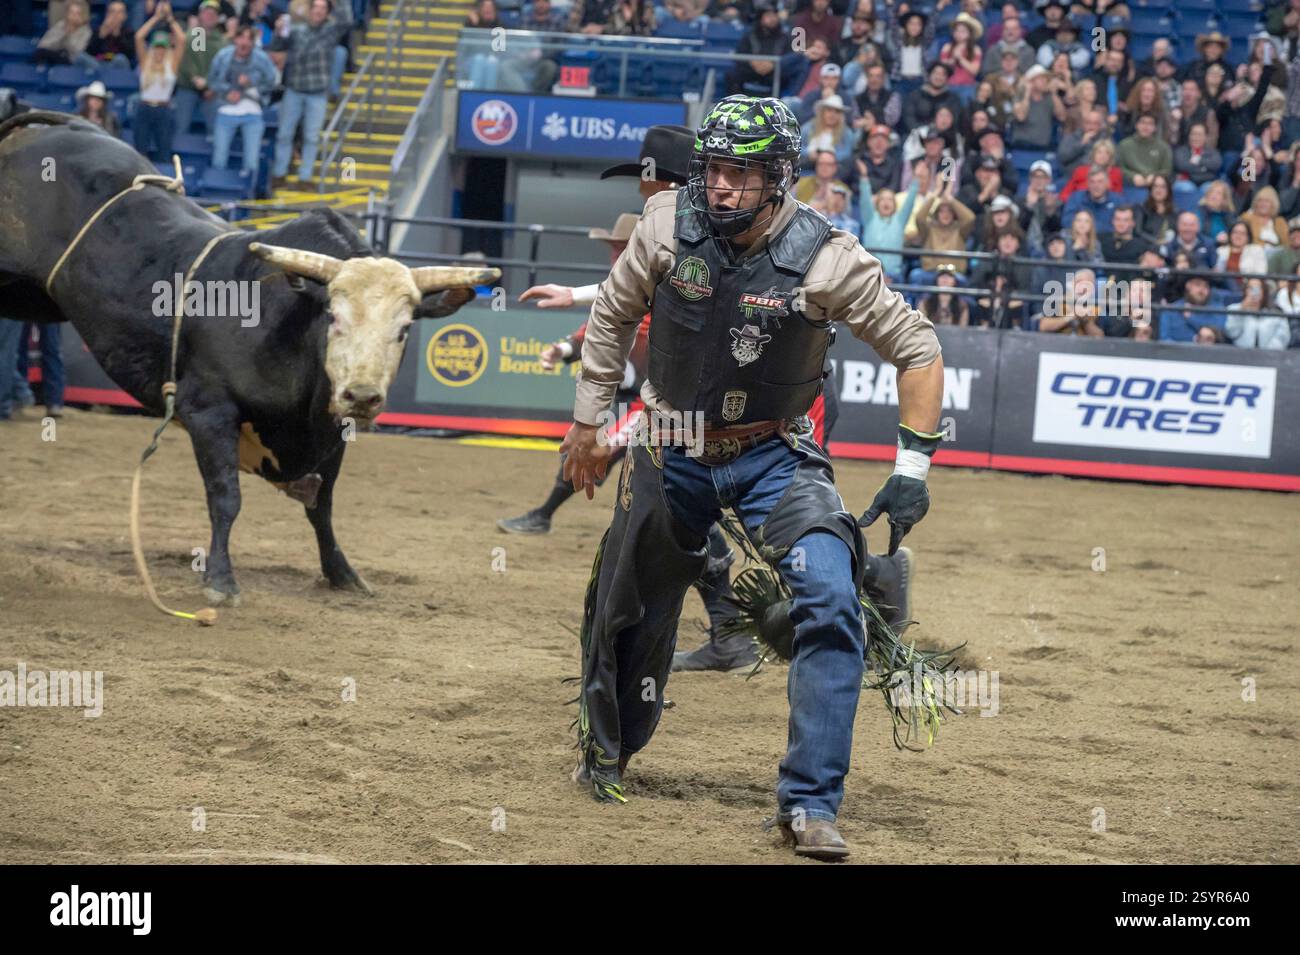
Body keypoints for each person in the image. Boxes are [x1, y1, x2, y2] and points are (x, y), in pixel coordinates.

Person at [563, 95, 944, 859]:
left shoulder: (830, 257)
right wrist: (587, 421)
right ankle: (607, 751)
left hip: (776, 449)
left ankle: (808, 804)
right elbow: (611, 313)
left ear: (780, 180)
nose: (723, 188)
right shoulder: (668, 224)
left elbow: (919, 348)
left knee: (832, 600)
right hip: (669, 437)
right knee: (626, 607)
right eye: (713, 171)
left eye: (742, 173)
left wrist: (912, 466)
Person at [271, 0, 354, 188]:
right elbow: (277, 46)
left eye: (322, 8)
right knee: (285, 134)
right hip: (294, 88)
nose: (318, 11)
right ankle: (279, 173)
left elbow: (347, 21)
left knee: (311, 137)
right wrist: (278, 30)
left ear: (327, 13)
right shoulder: (297, 29)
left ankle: (305, 177)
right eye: (315, 7)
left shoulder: (330, 31)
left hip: (317, 92)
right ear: (309, 11)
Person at [208, 25, 277, 177]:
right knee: (219, 159)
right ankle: (217, 193)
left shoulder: (262, 59)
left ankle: (249, 196)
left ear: (253, 43)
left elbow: (273, 81)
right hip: (225, 112)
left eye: (248, 39)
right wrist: (227, 93)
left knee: (251, 162)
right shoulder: (223, 56)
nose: (244, 42)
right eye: (241, 37)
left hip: (253, 113)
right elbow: (212, 80)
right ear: (235, 39)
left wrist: (251, 83)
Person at [132, 8, 186, 163]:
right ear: (152, 48)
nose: (159, 51)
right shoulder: (145, 62)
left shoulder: (172, 63)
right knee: (140, 151)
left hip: (163, 109)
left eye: (163, 48)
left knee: (164, 150)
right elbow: (139, 37)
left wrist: (170, 19)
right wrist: (155, 18)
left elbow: (182, 39)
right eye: (157, 47)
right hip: (144, 108)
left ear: (167, 48)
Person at [172, 0, 228, 137]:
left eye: (214, 13)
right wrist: (195, 78)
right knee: (180, 128)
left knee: (216, 129)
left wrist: (209, 85)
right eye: (207, 12)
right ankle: (178, 156)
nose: (210, 16)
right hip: (188, 87)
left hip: (211, 90)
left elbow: (223, 68)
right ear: (200, 15)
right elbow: (189, 61)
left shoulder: (221, 41)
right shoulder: (195, 35)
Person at [1225, 278, 1290, 349]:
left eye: (1258, 288)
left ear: (1264, 291)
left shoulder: (1276, 312)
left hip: (1271, 356)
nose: (1254, 292)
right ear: (1245, 290)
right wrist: (1242, 308)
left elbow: (1282, 337)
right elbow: (1232, 333)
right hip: (1241, 355)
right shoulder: (1234, 309)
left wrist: (1268, 352)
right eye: (1251, 288)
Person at [1159, 275, 1226, 341]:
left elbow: (1219, 329)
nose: (1202, 290)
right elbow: (1165, 338)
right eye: (1198, 285)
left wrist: (1191, 318)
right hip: (1177, 351)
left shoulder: (1217, 308)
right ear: (1188, 286)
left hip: (1208, 351)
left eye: (1206, 286)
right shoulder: (1171, 310)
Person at [35, 0, 92, 67]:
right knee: (40, 53)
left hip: (71, 59)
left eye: (77, 14)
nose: (74, 16)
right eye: (72, 13)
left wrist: (69, 34)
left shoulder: (86, 31)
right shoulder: (60, 25)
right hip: (55, 53)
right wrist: (64, 33)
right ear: (67, 14)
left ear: (82, 16)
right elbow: (43, 44)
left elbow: (78, 51)